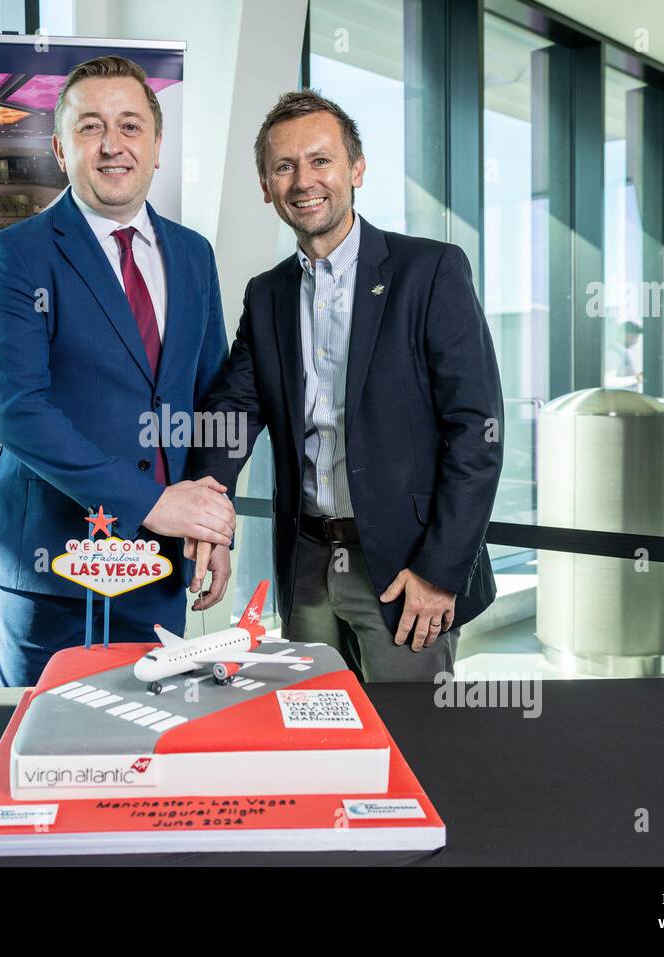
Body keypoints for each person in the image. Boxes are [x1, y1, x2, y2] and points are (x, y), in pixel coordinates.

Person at [186, 90, 504, 681]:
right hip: (306, 564)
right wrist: (208, 509)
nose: (304, 180)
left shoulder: (430, 271)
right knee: (316, 740)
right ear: (266, 185)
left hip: (406, 571)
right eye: (284, 166)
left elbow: (476, 432)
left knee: (411, 749)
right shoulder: (268, 294)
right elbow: (233, 409)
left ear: (355, 169)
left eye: (320, 160)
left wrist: (440, 571)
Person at [0, 55, 234, 687]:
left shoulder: (194, 256)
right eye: (90, 127)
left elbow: (211, 402)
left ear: (156, 146)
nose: (112, 145)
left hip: (158, 574)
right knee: (42, 768)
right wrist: (153, 504)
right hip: (54, 579)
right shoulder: (16, 255)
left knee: (146, 760)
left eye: (130, 126)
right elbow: (20, 414)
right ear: (61, 149)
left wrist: (210, 524)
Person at [605, 320, 644, 391]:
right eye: (633, 337)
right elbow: (607, 382)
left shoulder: (625, 352)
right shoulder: (612, 354)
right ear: (622, 334)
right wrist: (636, 379)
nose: (636, 341)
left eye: (636, 337)